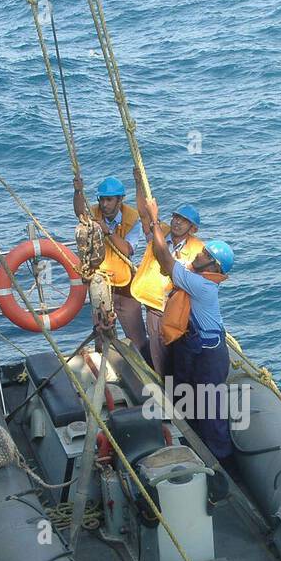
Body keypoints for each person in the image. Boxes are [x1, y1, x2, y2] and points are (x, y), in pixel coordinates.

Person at [141, 195, 235, 465]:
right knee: (186, 394)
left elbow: (163, 257)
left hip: (209, 354)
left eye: (205, 255)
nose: (200, 253)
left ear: (214, 267)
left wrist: (155, 219)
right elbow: (165, 259)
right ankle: (191, 443)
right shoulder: (197, 275)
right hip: (192, 345)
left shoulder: (202, 285)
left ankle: (222, 464)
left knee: (210, 411)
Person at [130, 165, 205, 374]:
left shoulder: (198, 250)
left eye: (183, 220)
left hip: (178, 310)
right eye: (175, 217)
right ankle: (165, 386)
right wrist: (138, 183)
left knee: (179, 352)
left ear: (193, 228)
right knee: (159, 351)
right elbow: (144, 215)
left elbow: (171, 266)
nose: (177, 222)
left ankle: (179, 386)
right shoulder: (160, 231)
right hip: (155, 305)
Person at [73, 174, 147, 351]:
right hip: (101, 283)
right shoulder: (94, 212)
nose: (104, 204)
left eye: (109, 200)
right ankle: (105, 367)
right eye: (102, 200)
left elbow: (128, 250)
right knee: (102, 335)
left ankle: (145, 367)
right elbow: (80, 213)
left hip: (125, 285)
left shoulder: (132, 219)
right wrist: (77, 191)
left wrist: (108, 232)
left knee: (138, 337)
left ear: (120, 200)